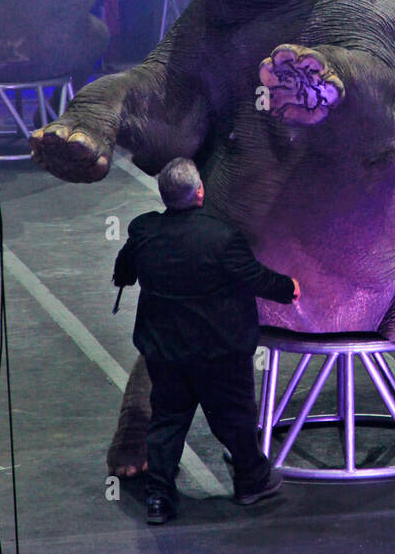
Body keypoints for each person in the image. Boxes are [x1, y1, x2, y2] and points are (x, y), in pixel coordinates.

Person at [112, 157, 300, 524]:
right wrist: (288, 288)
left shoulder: (144, 231)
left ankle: (158, 500)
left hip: (165, 351)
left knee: (167, 422)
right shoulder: (222, 237)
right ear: (200, 192)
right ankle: (252, 482)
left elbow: (123, 272)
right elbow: (256, 278)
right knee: (235, 419)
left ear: (164, 195)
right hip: (220, 353)